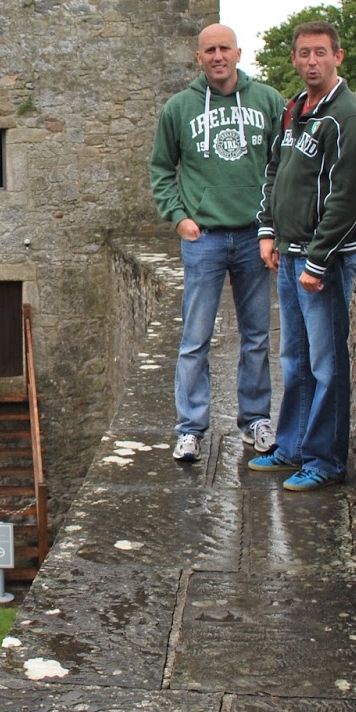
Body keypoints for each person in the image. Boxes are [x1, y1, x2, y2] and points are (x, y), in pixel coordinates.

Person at [151, 23, 286, 463]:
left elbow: (283, 165)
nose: (217, 56)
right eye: (209, 50)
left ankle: (256, 420)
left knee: (256, 335)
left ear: (238, 53)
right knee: (195, 337)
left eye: (224, 48)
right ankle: (190, 428)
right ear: (198, 57)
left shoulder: (267, 101)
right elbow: (161, 168)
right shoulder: (179, 108)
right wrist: (179, 217)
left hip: (254, 235)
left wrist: (274, 226)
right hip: (204, 237)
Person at [250, 20, 356, 491]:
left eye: (320, 52)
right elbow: (275, 172)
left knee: (326, 364)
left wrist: (319, 260)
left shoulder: (347, 117)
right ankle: (294, 445)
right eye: (303, 53)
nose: (311, 62)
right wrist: (269, 231)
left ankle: (325, 459)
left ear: (338, 57)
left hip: (325, 261)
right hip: (289, 253)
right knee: (294, 359)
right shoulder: (295, 109)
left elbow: (348, 197)